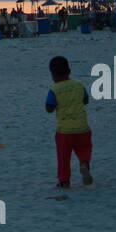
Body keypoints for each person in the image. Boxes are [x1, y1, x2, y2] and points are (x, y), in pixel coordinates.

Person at [45, 56, 92, 189]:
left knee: (63, 157)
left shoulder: (54, 89)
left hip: (64, 131)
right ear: (69, 71)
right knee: (84, 148)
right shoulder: (78, 85)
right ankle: (84, 163)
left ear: (52, 74)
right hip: (82, 128)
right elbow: (86, 100)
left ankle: (64, 181)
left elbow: (49, 108)